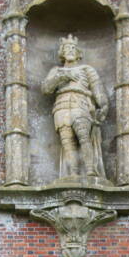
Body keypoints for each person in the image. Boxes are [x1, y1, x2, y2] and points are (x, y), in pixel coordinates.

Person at [42, 35, 108, 181]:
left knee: (84, 137)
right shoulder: (57, 71)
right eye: (66, 48)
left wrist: (103, 107)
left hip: (81, 104)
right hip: (61, 107)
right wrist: (63, 77)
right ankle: (73, 174)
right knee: (67, 142)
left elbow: (98, 90)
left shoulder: (87, 69)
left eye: (73, 48)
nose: (69, 50)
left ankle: (91, 171)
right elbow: (46, 88)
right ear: (62, 53)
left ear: (78, 53)